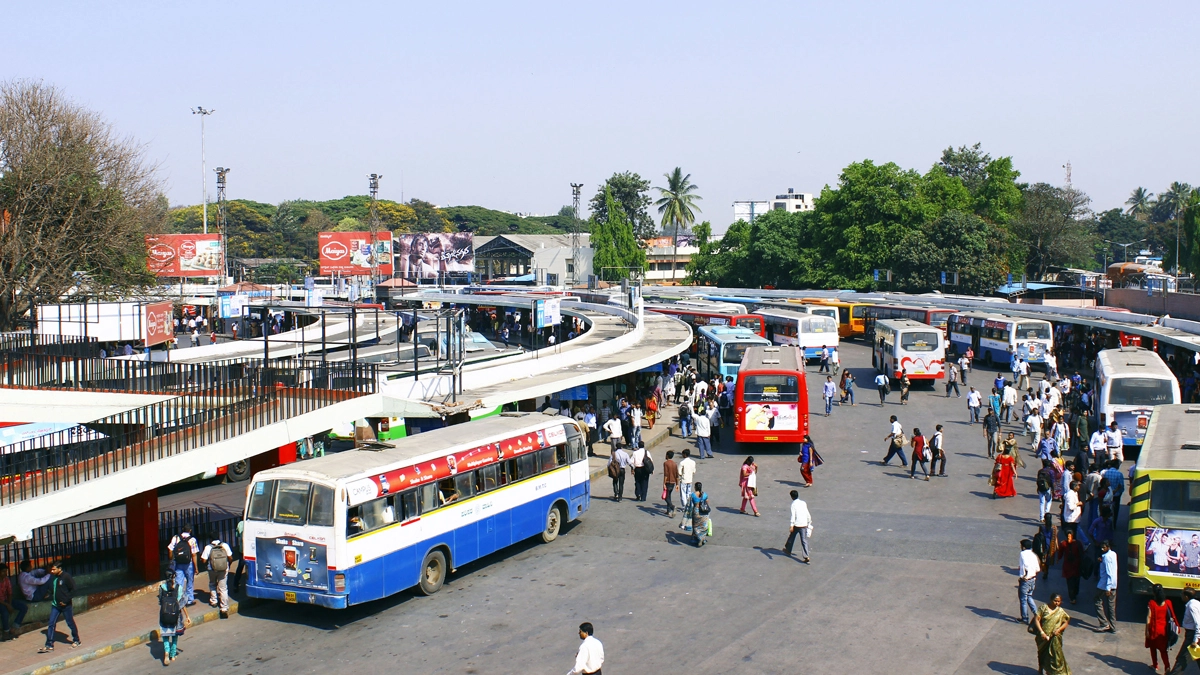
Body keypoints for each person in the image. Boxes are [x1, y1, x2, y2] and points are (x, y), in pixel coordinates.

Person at [38, 562, 79, 653]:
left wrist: (66, 600)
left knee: (70, 622)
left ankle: (76, 639)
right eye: (51, 569)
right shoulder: (53, 578)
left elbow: (74, 589)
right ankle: (49, 644)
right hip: (55, 605)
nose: (52, 571)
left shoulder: (66, 577)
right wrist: (48, 594)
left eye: (54, 569)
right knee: (51, 623)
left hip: (65, 606)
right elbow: (53, 589)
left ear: (59, 569)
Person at [1033, 592, 1071, 675]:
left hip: (1054, 638)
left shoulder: (1060, 611)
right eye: (1055, 601)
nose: (1057, 603)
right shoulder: (1043, 608)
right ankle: (1041, 667)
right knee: (1042, 653)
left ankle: (1050, 671)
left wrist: (1059, 630)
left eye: (1059, 601)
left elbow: (1066, 621)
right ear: (1051, 600)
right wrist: (1041, 632)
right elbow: (1037, 619)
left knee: (1053, 656)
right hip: (1043, 637)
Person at [157, 572, 188, 665]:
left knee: (165, 635)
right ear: (174, 577)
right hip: (176, 616)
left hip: (164, 615)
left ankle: (166, 651)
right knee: (175, 636)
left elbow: (160, 602)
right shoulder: (179, 588)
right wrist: (187, 616)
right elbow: (182, 604)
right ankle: (173, 655)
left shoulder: (161, 587)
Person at [1148, 584, 1179, 672]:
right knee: (1163, 650)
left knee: (1153, 648)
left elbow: (1148, 618)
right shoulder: (1168, 602)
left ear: (1154, 593)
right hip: (1165, 631)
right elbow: (1172, 615)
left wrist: (1147, 631)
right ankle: (1167, 667)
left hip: (1154, 630)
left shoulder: (1152, 603)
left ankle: (1155, 665)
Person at [200, 535, 233, 617]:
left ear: (210, 539)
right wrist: (228, 565)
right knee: (223, 588)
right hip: (224, 569)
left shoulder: (208, 547)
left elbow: (203, 560)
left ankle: (214, 601)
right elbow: (230, 557)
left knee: (212, 584)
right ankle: (224, 607)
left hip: (212, 569)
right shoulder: (225, 545)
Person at [167, 524, 200, 606]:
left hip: (178, 563)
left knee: (179, 582)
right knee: (190, 581)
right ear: (190, 530)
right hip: (189, 564)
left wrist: (171, 559)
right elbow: (194, 555)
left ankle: (180, 599)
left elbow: (170, 549)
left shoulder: (176, 538)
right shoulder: (192, 540)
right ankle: (189, 600)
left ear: (182, 529)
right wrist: (196, 567)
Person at [1172, 587, 1200, 673]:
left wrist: (1195, 640)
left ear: (1187, 597)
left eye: (1182, 594)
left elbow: (1198, 624)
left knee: (1182, 657)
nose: (1181, 596)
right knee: (1197, 656)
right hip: (1193, 634)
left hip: (1192, 635)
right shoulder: (1196, 603)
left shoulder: (1192, 606)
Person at [1095, 540, 1118, 633]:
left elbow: (1109, 573)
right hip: (1113, 584)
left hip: (1105, 584)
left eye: (1104, 547)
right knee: (1111, 606)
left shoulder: (1107, 557)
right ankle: (1113, 626)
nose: (1102, 549)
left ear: (1108, 547)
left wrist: (1108, 588)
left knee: (1097, 600)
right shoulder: (1112, 554)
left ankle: (1104, 623)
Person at [784, 489, 812, 563]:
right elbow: (807, 512)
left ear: (792, 497)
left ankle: (788, 549)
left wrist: (791, 525)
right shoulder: (803, 503)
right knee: (804, 540)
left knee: (791, 537)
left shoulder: (793, 504)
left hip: (797, 524)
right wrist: (809, 521)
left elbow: (793, 515)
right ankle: (806, 556)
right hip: (804, 524)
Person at [0, 567, 27, 641]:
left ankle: (14, 627)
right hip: (1, 602)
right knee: (5, 612)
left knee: (23, 607)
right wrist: (8, 605)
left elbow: (9, 593)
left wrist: (9, 603)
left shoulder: (6, 579)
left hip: (6, 600)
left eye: (6, 571)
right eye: (3, 571)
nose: (5, 573)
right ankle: (6, 632)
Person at [1058, 529, 1084, 604]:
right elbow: (1060, 553)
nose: (1069, 538)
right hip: (1068, 567)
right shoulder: (1063, 544)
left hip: (1077, 566)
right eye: (1068, 537)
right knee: (1069, 583)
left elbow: (1082, 554)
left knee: (1076, 581)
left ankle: (1075, 593)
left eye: (1070, 536)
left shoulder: (1078, 544)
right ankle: (1072, 597)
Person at [1018, 540, 1041, 624]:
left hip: (1026, 580)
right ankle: (1037, 614)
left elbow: (1025, 564)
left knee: (1023, 599)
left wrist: (1025, 575)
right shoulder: (1033, 554)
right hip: (1033, 579)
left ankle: (1025, 618)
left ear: (1023, 547)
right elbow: (1038, 568)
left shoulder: (1023, 554)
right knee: (1029, 597)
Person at [677, 449, 696, 524]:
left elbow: (679, 472)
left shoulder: (682, 463)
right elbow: (694, 471)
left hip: (684, 480)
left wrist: (681, 475)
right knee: (688, 493)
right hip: (690, 479)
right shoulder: (693, 462)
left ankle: (684, 507)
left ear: (684, 454)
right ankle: (689, 506)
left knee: (683, 494)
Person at [691, 482, 711, 547]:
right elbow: (707, 502)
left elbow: (690, 504)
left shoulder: (693, 495)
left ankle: (698, 538)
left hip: (696, 511)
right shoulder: (705, 494)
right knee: (703, 526)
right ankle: (703, 538)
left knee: (696, 526)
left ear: (695, 487)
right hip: (704, 512)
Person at [662, 450, 679, 517]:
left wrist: (664, 483)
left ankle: (672, 507)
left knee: (666, 497)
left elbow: (666, 474)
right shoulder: (674, 464)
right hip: (673, 482)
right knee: (669, 496)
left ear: (667, 455)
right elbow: (676, 475)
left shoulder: (666, 463)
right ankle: (668, 510)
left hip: (668, 482)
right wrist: (677, 484)